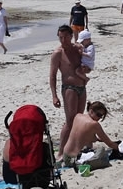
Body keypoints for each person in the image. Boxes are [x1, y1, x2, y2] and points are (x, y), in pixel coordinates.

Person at [50, 25, 86, 157]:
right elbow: (52, 75)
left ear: (71, 36)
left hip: (82, 87)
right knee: (70, 120)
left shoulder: (77, 49)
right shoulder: (57, 53)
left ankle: (74, 147)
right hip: (69, 88)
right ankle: (60, 152)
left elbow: (88, 55)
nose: (63, 40)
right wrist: (54, 96)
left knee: (79, 118)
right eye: (60, 37)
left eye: (65, 37)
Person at [60, 100, 117, 168]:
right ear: (91, 111)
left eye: (101, 116)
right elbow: (110, 144)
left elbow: (82, 135)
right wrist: (120, 148)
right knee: (102, 153)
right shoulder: (94, 124)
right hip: (75, 160)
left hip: (66, 156)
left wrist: (96, 139)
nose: (99, 118)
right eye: (98, 115)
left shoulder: (78, 116)